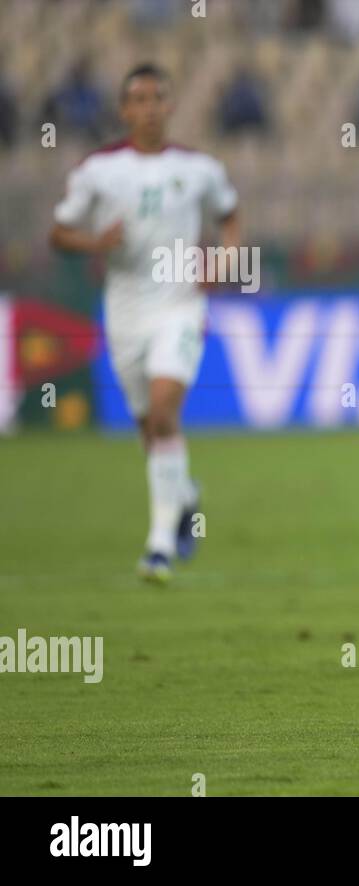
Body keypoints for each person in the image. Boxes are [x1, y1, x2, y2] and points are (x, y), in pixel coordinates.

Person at [49, 64, 240, 583]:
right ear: (124, 110)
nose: (150, 107)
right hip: (125, 311)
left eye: (159, 97)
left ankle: (158, 547)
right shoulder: (98, 171)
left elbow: (230, 217)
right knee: (149, 429)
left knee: (162, 413)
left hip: (180, 306)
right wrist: (95, 243)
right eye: (139, 98)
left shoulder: (198, 168)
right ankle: (185, 495)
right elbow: (59, 233)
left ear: (170, 106)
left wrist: (223, 263)